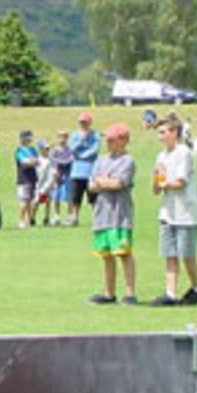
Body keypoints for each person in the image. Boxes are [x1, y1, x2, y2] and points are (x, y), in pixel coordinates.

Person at [151, 117, 197, 306]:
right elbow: (156, 187)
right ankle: (170, 293)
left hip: (186, 211)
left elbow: (181, 182)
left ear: (174, 133)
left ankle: (196, 288)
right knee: (170, 254)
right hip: (168, 211)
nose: (160, 136)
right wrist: (157, 181)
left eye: (163, 132)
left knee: (187, 254)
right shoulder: (161, 156)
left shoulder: (184, 153)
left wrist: (164, 183)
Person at [88, 122, 137, 305]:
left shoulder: (128, 161)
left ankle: (130, 293)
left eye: (111, 139)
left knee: (124, 253)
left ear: (123, 141)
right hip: (102, 213)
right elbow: (91, 186)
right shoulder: (100, 160)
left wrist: (103, 181)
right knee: (106, 254)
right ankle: (109, 293)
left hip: (119, 215)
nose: (107, 143)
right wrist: (104, 181)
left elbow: (118, 183)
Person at [67, 112, 100, 227]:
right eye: (81, 122)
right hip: (77, 171)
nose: (83, 124)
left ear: (90, 122)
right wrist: (81, 140)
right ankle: (74, 217)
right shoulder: (74, 135)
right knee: (76, 197)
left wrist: (82, 155)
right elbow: (72, 148)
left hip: (91, 170)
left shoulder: (95, 135)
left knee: (93, 197)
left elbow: (95, 150)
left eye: (85, 122)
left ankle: (97, 218)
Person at [48, 130, 73, 226]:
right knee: (56, 195)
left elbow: (71, 160)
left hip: (68, 174)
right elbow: (52, 161)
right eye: (60, 136)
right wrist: (55, 172)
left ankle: (69, 216)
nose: (62, 139)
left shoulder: (70, 149)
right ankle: (56, 216)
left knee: (69, 195)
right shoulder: (54, 150)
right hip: (57, 174)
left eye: (64, 136)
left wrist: (62, 161)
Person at [14, 129, 39, 228]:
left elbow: (37, 161)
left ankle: (29, 220)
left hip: (32, 178)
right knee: (23, 201)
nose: (28, 140)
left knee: (30, 200)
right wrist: (32, 162)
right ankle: (21, 220)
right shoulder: (19, 150)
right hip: (23, 178)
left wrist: (32, 162)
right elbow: (24, 163)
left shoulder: (33, 150)